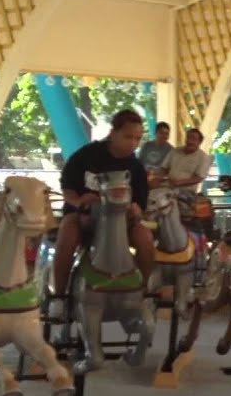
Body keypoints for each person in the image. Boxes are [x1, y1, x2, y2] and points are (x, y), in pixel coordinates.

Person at [49, 109, 155, 312]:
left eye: (137, 139)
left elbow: (141, 201)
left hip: (120, 220)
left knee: (145, 238)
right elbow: (67, 186)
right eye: (128, 137)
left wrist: (136, 209)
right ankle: (59, 296)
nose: (133, 143)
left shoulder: (135, 167)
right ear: (113, 133)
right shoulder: (87, 155)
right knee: (67, 235)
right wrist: (79, 201)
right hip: (85, 216)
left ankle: (142, 290)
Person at [157, 128, 212, 196]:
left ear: (199, 142)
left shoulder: (203, 157)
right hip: (167, 187)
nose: (190, 141)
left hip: (186, 191)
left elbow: (199, 178)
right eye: (188, 138)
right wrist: (158, 179)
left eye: (193, 139)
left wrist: (178, 183)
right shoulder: (175, 151)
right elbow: (164, 168)